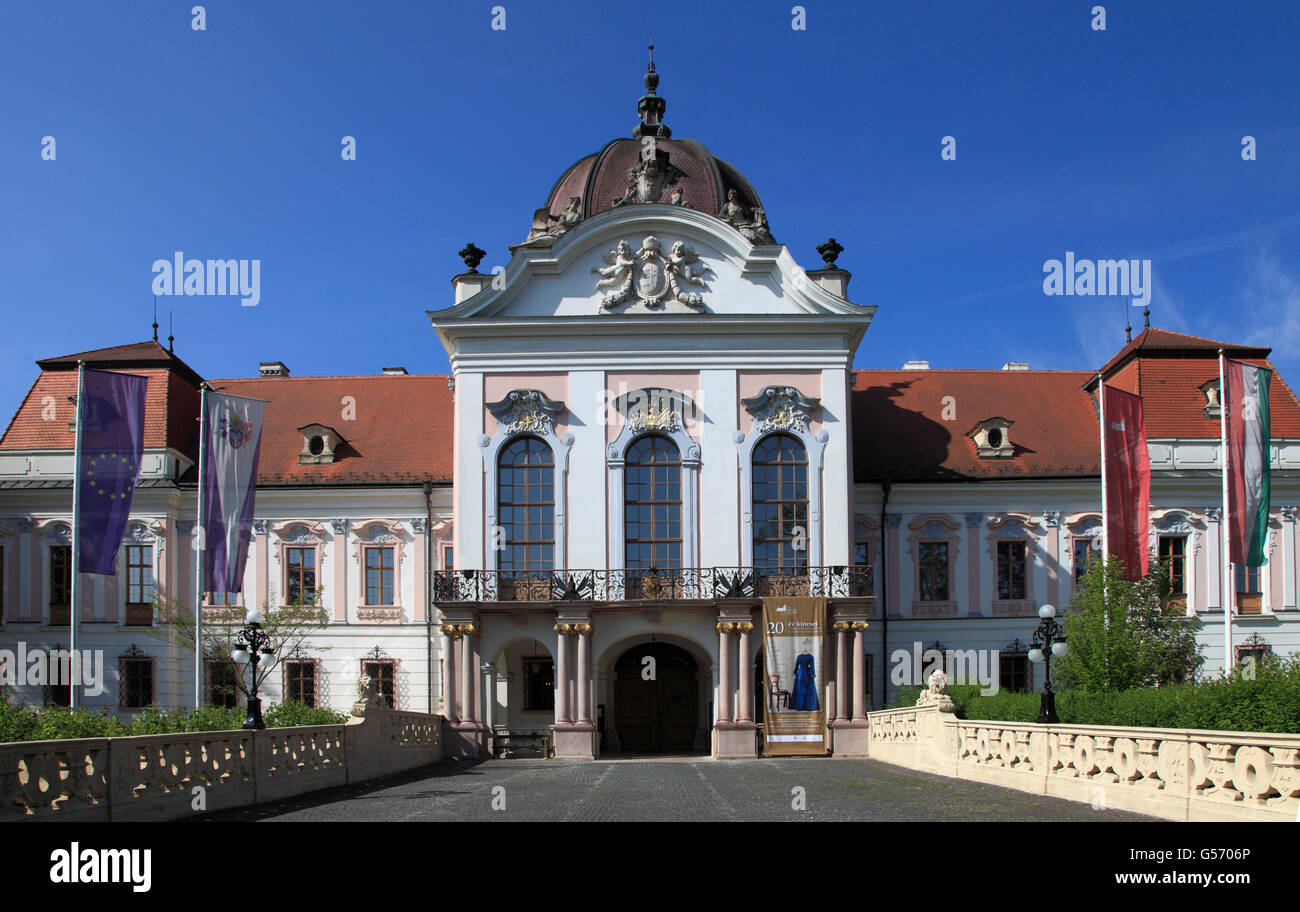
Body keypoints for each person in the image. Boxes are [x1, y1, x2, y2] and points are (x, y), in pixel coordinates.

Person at [789, 639, 819, 712]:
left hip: (800, 674)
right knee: (807, 689)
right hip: (807, 674)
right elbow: (812, 666)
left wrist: (795, 672)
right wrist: (812, 674)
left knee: (800, 689)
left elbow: (796, 666)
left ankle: (800, 706)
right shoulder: (810, 657)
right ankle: (807, 706)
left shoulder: (799, 656)